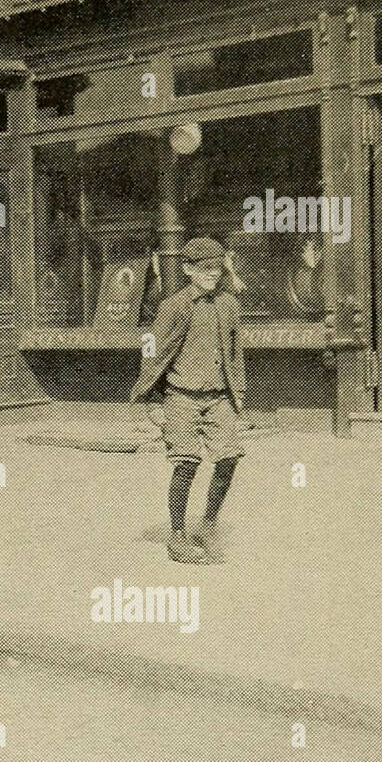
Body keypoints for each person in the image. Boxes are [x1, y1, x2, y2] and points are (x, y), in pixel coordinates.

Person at [129, 236, 246, 565]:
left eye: (217, 268)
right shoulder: (174, 306)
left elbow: (236, 353)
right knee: (187, 462)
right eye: (205, 269)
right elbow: (151, 349)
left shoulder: (229, 304)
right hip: (180, 396)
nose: (213, 274)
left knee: (229, 457)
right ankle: (178, 534)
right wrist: (154, 401)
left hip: (219, 397)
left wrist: (239, 395)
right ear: (188, 269)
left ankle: (208, 524)